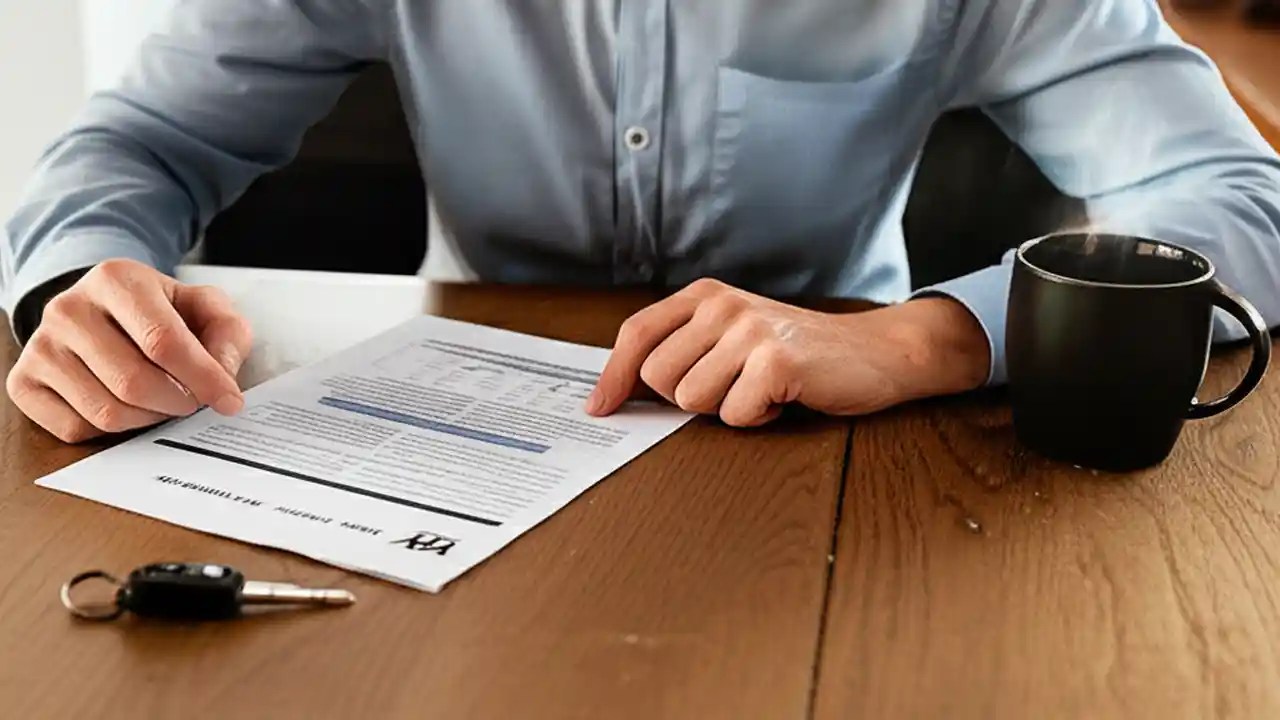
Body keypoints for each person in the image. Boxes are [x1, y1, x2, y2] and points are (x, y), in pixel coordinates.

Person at [3, 1, 1279, 443]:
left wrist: (920, 339)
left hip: (830, 451)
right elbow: (138, 144)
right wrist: (73, 289)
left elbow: (1236, 201)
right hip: (452, 427)